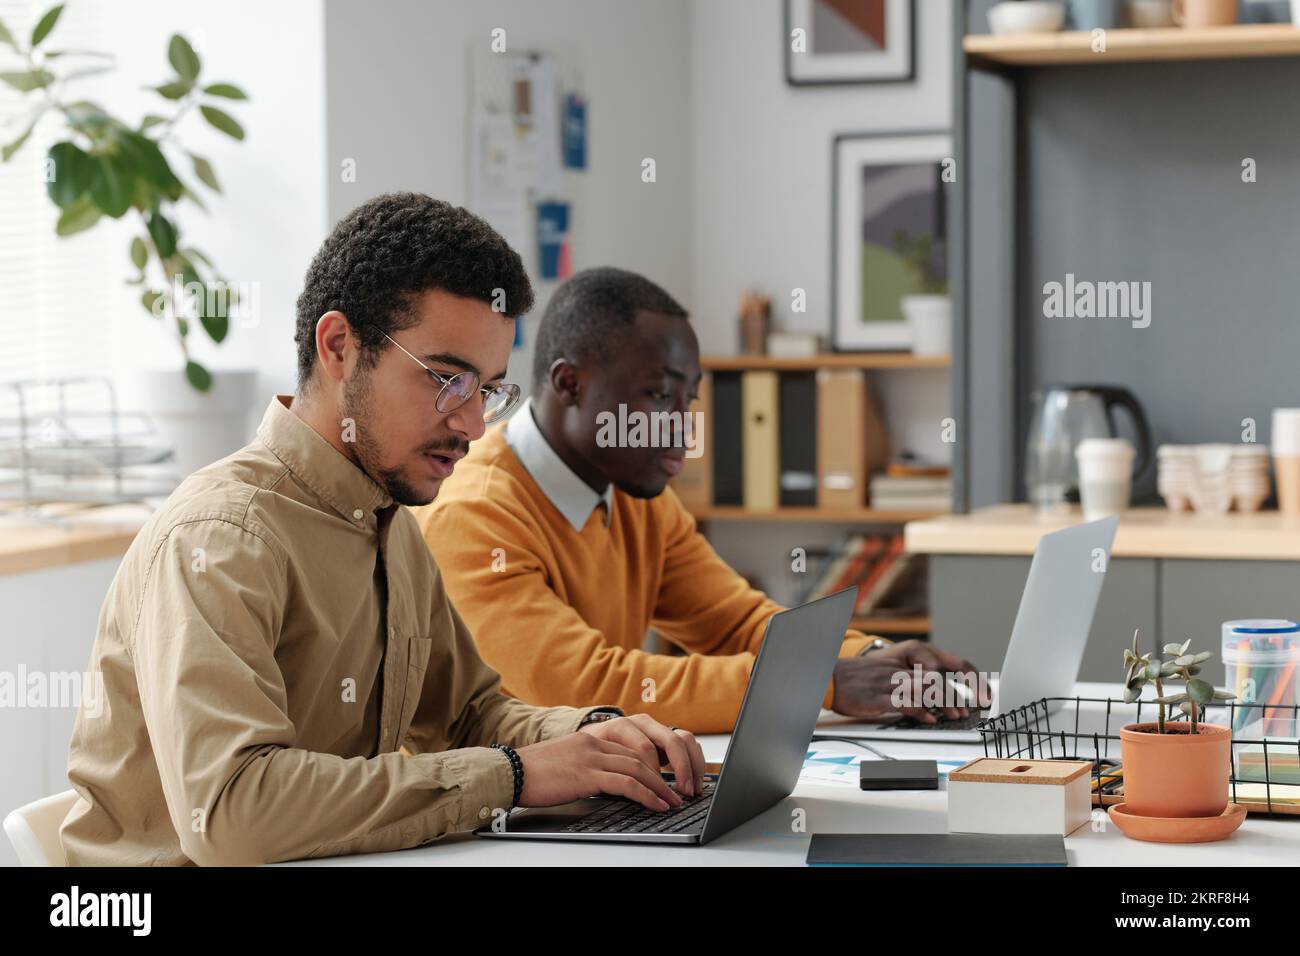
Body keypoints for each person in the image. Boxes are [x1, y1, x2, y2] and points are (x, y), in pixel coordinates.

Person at [61, 196, 704, 866]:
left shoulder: (389, 520)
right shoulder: (219, 540)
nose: (472, 426)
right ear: (339, 347)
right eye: (447, 380)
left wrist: (598, 738)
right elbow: (232, 813)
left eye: (487, 391)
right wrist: (514, 776)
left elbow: (468, 717)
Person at [414, 266, 975, 734]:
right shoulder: (473, 514)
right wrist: (822, 682)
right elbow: (583, 687)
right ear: (570, 385)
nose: (683, 432)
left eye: (689, 399)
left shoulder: (635, 492)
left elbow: (736, 621)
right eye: (660, 396)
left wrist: (869, 657)